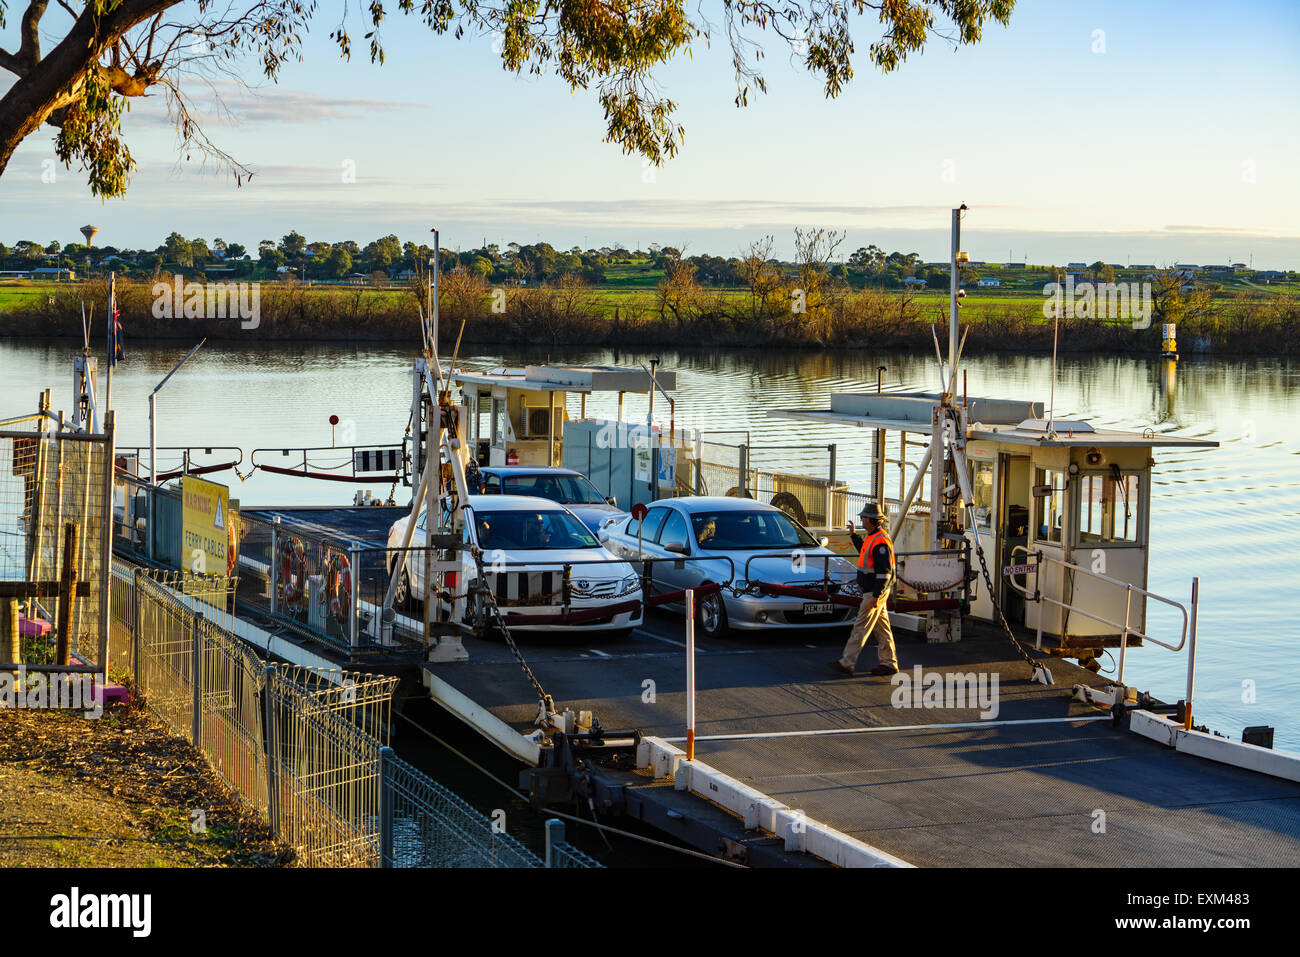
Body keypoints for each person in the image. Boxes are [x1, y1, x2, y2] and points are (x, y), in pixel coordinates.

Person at [830, 503, 898, 677]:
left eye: (864, 517)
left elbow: (884, 573)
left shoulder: (880, 541)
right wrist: (853, 536)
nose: (861, 519)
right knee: (882, 629)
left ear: (872, 520)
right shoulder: (873, 537)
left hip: (874, 592)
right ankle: (889, 663)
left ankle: (847, 662)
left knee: (860, 627)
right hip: (875, 591)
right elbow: (864, 552)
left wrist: (875, 596)